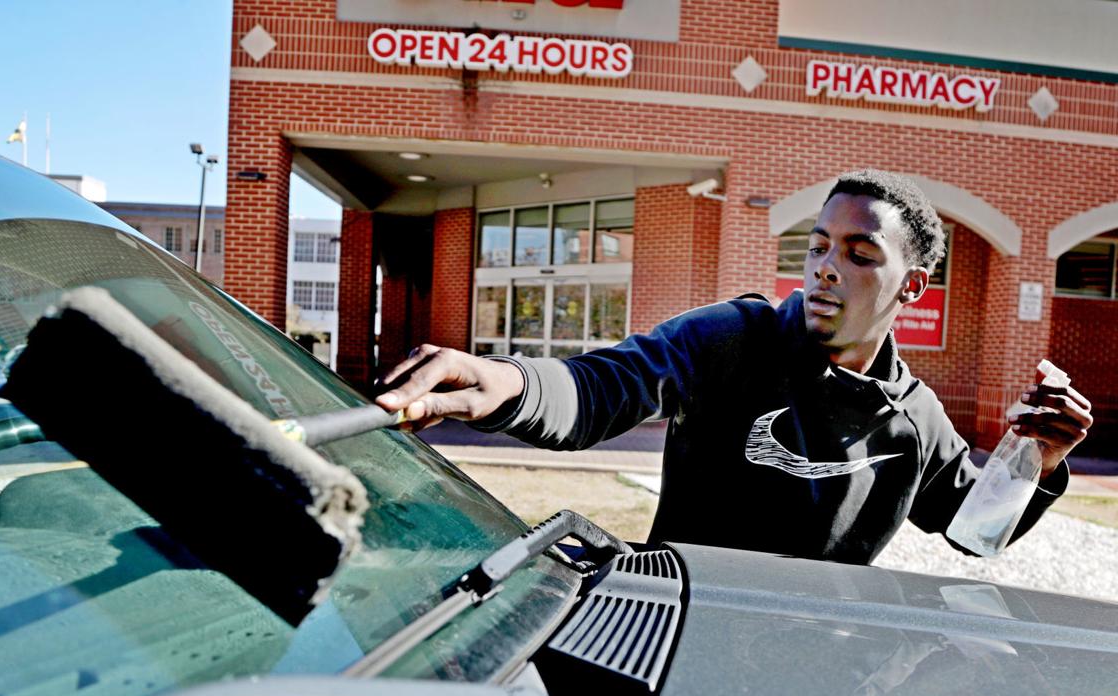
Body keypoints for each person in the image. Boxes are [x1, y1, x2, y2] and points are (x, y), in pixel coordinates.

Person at [375, 170, 1093, 563]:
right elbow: (602, 388)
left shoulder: (914, 419)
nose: (825, 269)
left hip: (818, 677)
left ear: (913, 286)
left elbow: (974, 530)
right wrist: (508, 383)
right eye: (818, 246)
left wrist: (1038, 457)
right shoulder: (731, 339)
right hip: (680, 638)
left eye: (860, 255)